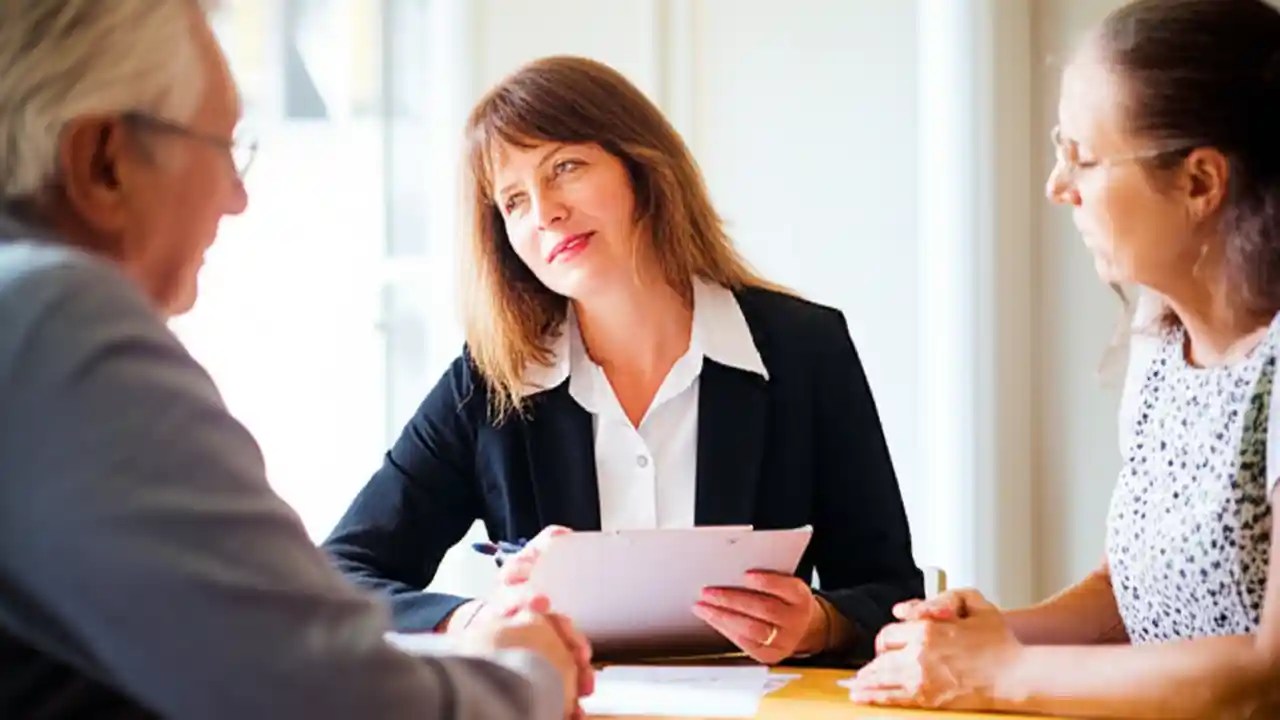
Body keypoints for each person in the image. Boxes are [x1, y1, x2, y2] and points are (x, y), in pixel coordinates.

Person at [0, 2, 591, 718]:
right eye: (223, 145)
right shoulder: (57, 324)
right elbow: (320, 693)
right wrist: (528, 674)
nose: (238, 196)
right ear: (103, 162)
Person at [322, 54, 923, 666]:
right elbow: (338, 575)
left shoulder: (803, 349)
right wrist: (479, 619)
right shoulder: (488, 383)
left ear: (642, 167)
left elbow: (892, 593)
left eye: (565, 167)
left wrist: (818, 624)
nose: (545, 211)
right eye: (513, 201)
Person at [848, 0, 1280, 716]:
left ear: (1201, 182)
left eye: (1082, 156)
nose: (1058, 184)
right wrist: (981, 640)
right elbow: (1132, 596)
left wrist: (1005, 672)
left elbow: (1266, 671)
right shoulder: (1161, 338)